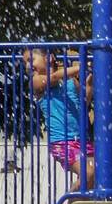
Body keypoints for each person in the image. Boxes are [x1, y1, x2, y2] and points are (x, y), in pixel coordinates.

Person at [24, 48, 95, 188]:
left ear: (49, 58)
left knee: (97, 177)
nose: (28, 66)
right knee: (88, 173)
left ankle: (79, 202)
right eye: (25, 62)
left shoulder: (70, 81)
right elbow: (55, 77)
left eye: (31, 60)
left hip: (81, 139)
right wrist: (81, 66)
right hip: (61, 143)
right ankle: (68, 203)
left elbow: (83, 102)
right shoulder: (36, 81)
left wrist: (91, 80)